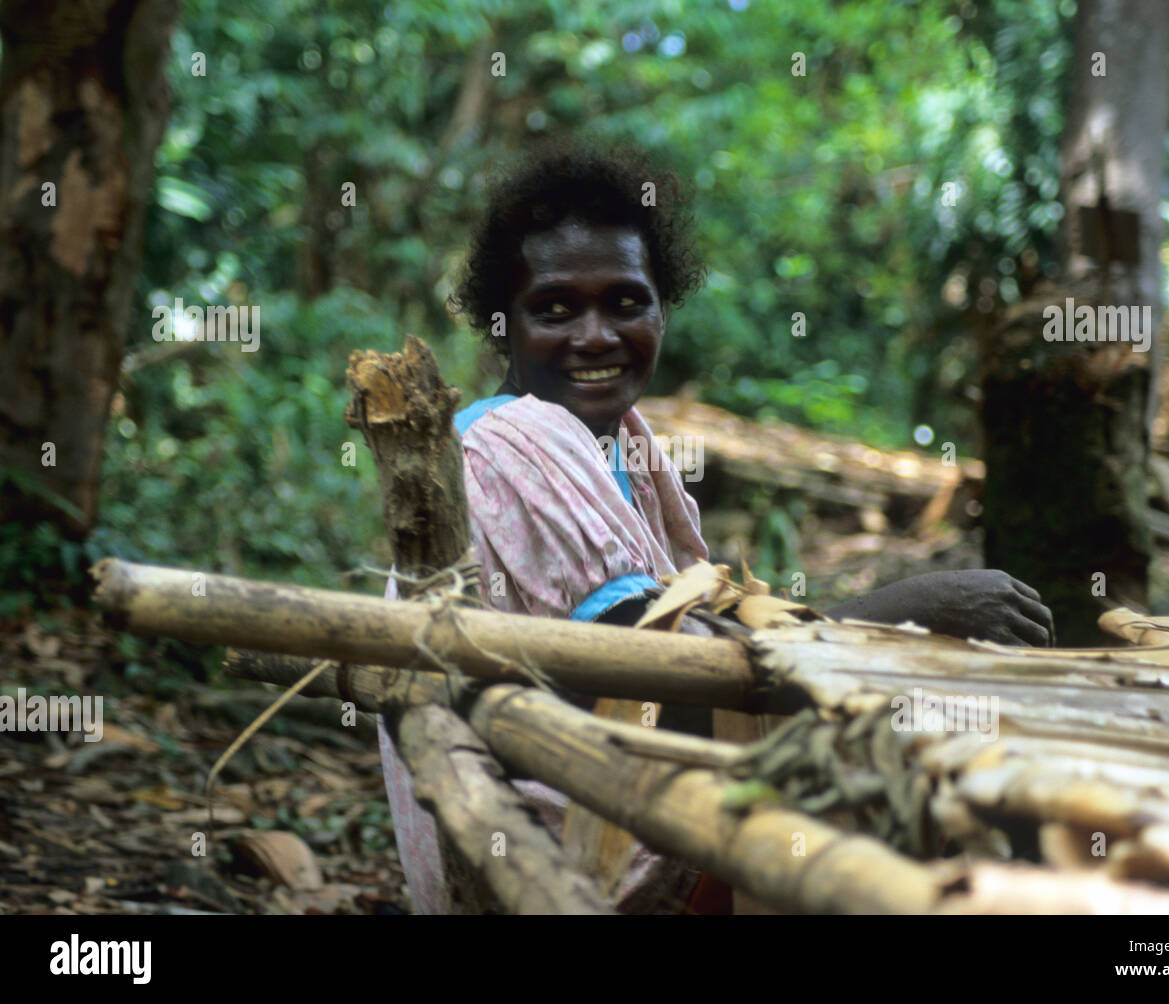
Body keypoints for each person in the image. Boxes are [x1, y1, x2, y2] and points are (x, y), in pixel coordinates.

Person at [378, 141, 1055, 914]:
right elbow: (657, 692)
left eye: (626, 302)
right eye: (555, 309)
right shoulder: (512, 444)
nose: (595, 336)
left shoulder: (619, 442)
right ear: (503, 329)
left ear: (664, 311)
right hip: (571, 876)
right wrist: (912, 608)